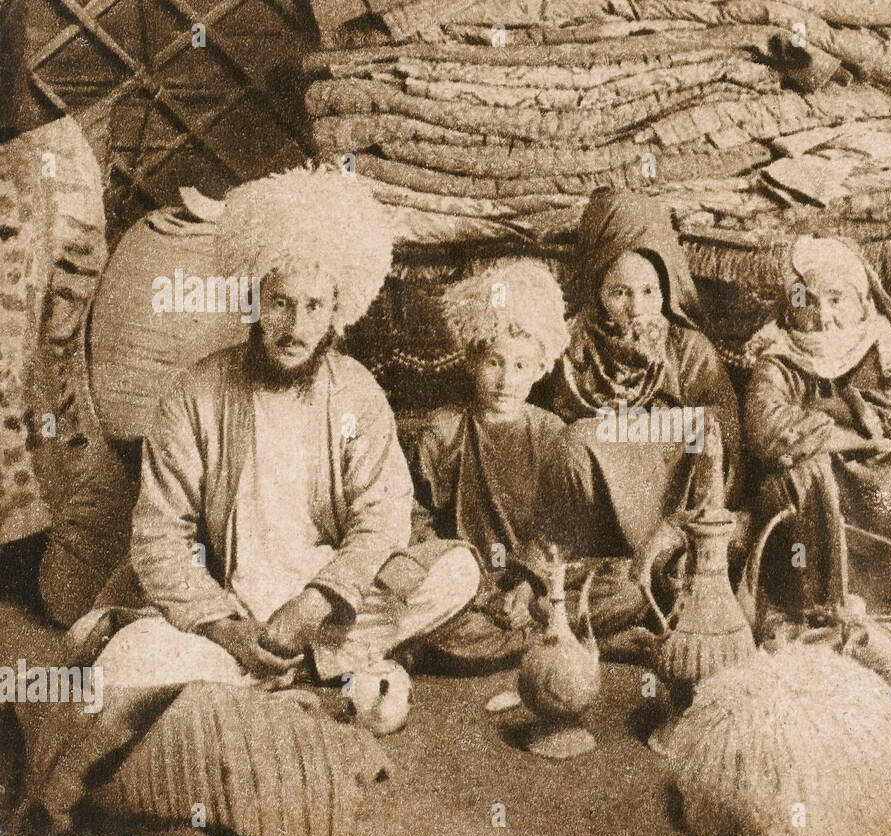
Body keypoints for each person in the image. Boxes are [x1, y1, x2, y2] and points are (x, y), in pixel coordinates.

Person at [112, 166, 480, 688]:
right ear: (256, 302)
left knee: (455, 574)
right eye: (281, 303)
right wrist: (228, 627)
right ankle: (263, 662)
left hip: (329, 603)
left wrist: (311, 606)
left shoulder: (356, 392)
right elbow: (158, 539)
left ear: (336, 311)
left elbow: (380, 518)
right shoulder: (194, 394)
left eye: (314, 307)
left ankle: (287, 666)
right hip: (229, 602)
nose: (297, 328)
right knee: (126, 659)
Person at [532, 188, 741, 640]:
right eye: (620, 293)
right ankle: (597, 584)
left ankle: (658, 577)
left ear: (665, 290)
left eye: (649, 292)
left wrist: (640, 435)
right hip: (598, 527)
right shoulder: (574, 352)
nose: (636, 307)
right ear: (597, 291)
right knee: (573, 444)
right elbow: (559, 438)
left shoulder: (688, 349)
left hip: (670, 513)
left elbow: (722, 429)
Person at [744, 235, 891, 613]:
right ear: (789, 309)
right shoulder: (779, 359)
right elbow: (765, 429)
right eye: (807, 302)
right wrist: (859, 434)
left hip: (887, 469)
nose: (822, 316)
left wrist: (836, 416)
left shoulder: (887, 349)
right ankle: (821, 608)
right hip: (817, 470)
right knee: (799, 482)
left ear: (863, 303)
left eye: (836, 300)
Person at [410, 257, 570, 663]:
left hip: (534, 585)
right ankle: (549, 638)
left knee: (620, 585)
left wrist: (531, 583)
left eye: (520, 366)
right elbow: (417, 518)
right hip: (469, 586)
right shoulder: (444, 430)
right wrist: (475, 589)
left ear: (540, 368)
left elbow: (566, 522)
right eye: (494, 363)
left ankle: (531, 631)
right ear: (471, 361)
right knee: (430, 618)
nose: (506, 381)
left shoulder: (553, 433)